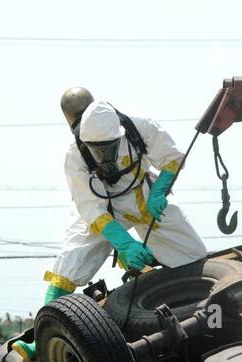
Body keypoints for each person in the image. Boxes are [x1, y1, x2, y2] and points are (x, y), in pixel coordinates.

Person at [40, 88, 207, 306]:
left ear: (119, 133)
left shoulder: (139, 126)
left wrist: (159, 191)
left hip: (145, 196)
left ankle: (155, 256)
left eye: (109, 147)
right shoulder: (74, 155)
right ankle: (40, 333)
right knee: (70, 262)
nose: (104, 155)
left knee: (193, 253)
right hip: (104, 209)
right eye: (97, 150)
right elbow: (92, 208)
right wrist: (124, 245)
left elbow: (172, 157)